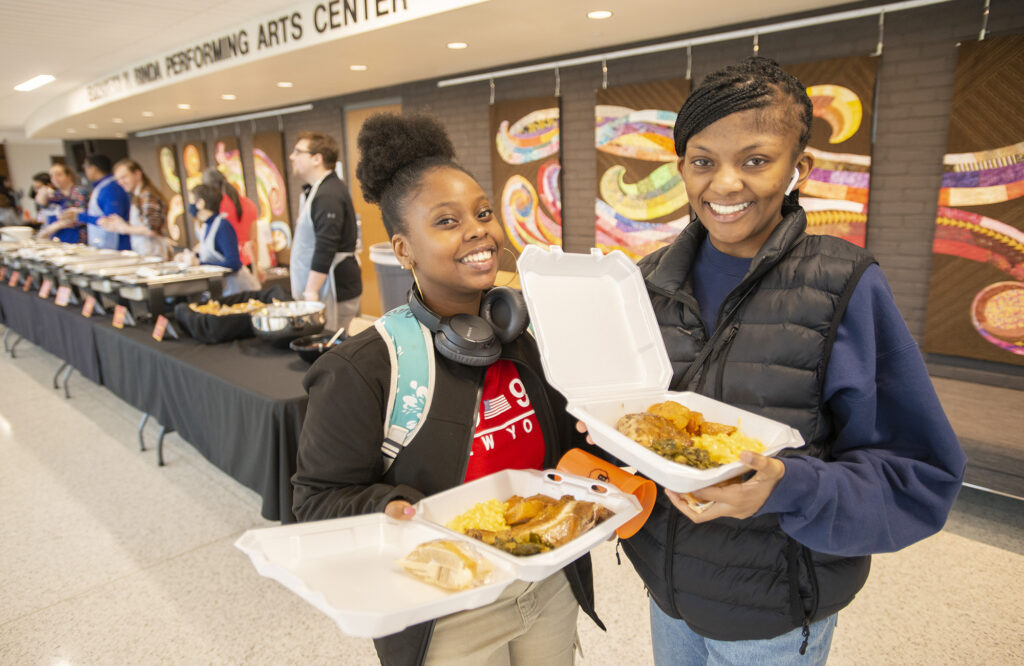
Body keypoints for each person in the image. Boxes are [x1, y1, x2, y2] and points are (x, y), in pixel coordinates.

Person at [603, 57, 966, 666]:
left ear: (799, 168)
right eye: (702, 161)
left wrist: (787, 488)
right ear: (681, 169)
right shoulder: (644, 282)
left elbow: (918, 474)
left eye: (754, 160)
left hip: (775, 611)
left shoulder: (844, 284)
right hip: (668, 593)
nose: (724, 185)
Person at [292, 113, 602, 666]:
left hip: (548, 580)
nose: (478, 229)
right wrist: (393, 506)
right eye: (446, 221)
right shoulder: (363, 369)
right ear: (404, 249)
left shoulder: (525, 340)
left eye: (483, 213)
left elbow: (568, 452)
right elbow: (315, 502)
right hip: (445, 606)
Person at [287, 130, 361, 333]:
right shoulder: (318, 190)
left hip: (333, 288)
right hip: (325, 287)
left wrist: (311, 292)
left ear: (316, 159)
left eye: (298, 152)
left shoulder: (328, 194)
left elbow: (326, 246)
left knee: (331, 349)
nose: (292, 157)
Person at [183, 183, 258, 296]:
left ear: (201, 203)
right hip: (221, 288)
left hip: (236, 291)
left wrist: (200, 263)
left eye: (191, 201)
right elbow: (212, 254)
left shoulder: (223, 226)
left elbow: (234, 263)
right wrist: (193, 257)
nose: (190, 206)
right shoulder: (206, 225)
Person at [98, 158, 170, 259]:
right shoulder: (138, 195)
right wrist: (118, 224)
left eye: (124, 177)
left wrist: (124, 228)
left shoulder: (147, 195)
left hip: (154, 255)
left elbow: (152, 230)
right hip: (146, 254)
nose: (120, 182)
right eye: (118, 179)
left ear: (137, 174)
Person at [201, 166, 263, 282]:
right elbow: (254, 240)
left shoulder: (217, 209)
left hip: (228, 267)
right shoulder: (249, 204)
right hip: (249, 263)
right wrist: (257, 265)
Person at [70, 154, 132, 250]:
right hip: (106, 243)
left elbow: (111, 219)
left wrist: (80, 216)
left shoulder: (109, 188)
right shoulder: (102, 187)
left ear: (94, 168)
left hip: (115, 245)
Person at [36, 163, 90, 243]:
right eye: (52, 176)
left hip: (78, 239)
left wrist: (57, 225)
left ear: (68, 176)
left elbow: (82, 217)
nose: (54, 178)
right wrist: (42, 192)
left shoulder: (79, 192)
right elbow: (42, 204)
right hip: (60, 239)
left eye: (58, 175)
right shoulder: (57, 195)